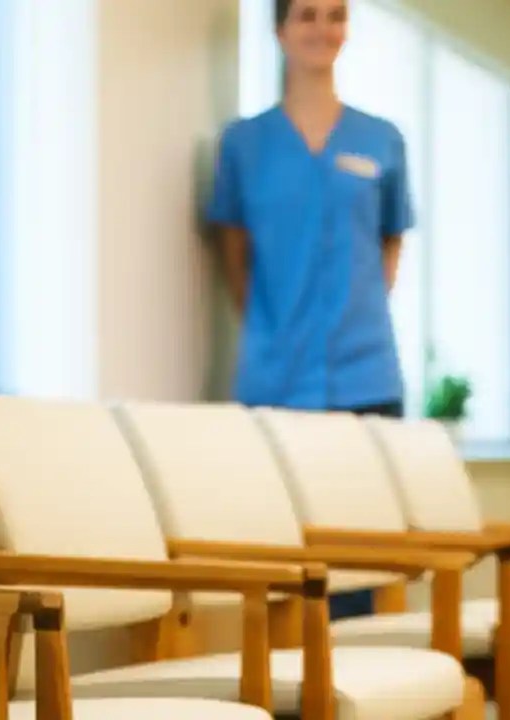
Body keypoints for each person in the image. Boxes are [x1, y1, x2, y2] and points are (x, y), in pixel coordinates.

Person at [206, 0, 414, 619]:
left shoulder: (382, 139)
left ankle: (356, 681)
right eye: (307, 15)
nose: (323, 28)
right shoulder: (244, 144)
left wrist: (358, 310)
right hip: (276, 376)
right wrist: (272, 323)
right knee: (281, 554)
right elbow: (234, 250)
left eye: (335, 15)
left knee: (359, 561)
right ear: (279, 30)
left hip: (366, 376)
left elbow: (390, 241)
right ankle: (287, 681)